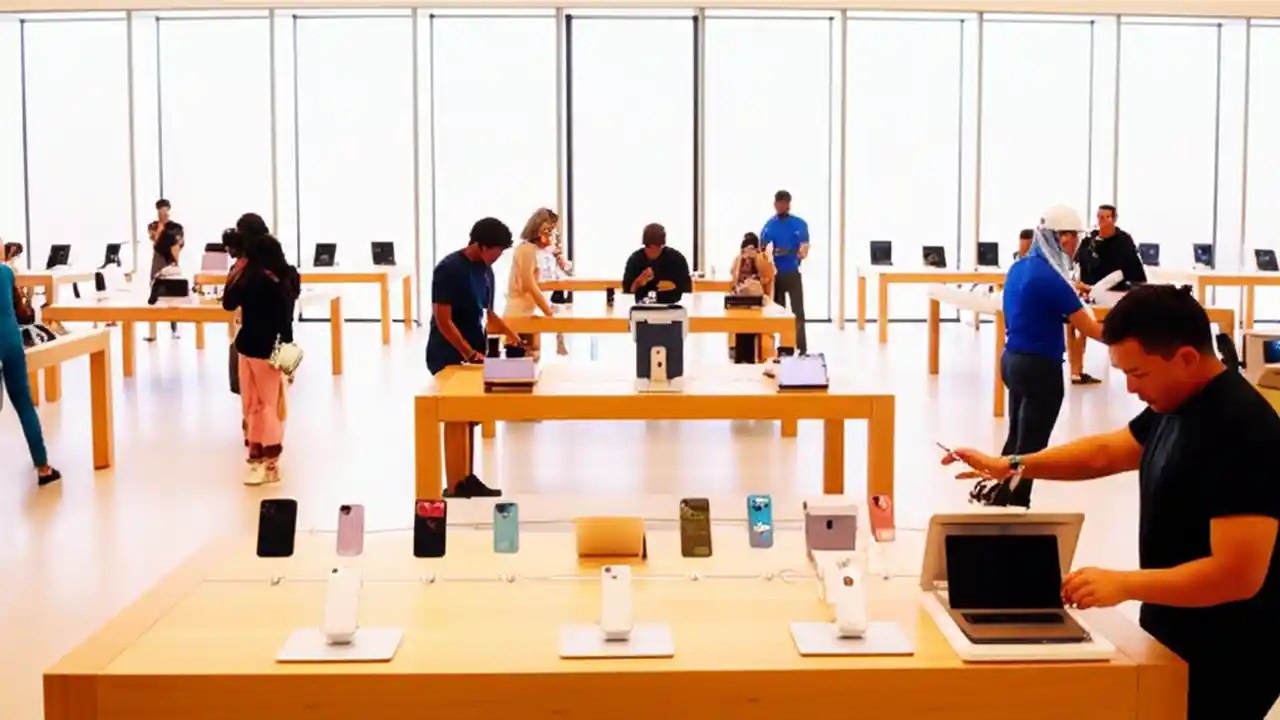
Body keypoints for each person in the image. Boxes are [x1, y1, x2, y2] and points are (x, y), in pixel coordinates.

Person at [943, 284, 1280, 720]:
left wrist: (1124, 584)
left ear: (1186, 358)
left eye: (1138, 374)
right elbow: (1107, 452)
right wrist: (1011, 464)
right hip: (1174, 632)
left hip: (1232, 651)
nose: (1132, 389)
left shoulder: (1241, 429)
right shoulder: (1177, 401)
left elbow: (1237, 575)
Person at [983, 205, 1103, 507]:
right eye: (1074, 237)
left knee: (1016, 439)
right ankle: (1015, 506)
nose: (1076, 245)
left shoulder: (1020, 267)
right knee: (1032, 450)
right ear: (1060, 238)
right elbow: (1090, 329)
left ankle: (998, 498)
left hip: (1012, 361)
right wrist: (1136, 332)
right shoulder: (1050, 278)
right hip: (1040, 368)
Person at [427, 217, 525, 498]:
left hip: (474, 352)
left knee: (469, 416)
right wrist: (467, 352)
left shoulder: (486, 272)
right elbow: (443, 320)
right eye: (497, 250)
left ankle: (466, 478)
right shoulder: (448, 269)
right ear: (481, 245)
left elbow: (489, 314)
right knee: (455, 415)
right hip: (447, 351)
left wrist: (511, 334)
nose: (499, 256)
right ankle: (455, 483)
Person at [222, 233, 299, 486]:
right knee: (271, 405)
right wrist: (288, 350)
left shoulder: (249, 277)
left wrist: (237, 271)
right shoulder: (286, 277)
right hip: (273, 349)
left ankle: (255, 460)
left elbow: (228, 303)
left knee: (253, 404)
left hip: (248, 347)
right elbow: (286, 319)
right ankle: (271, 462)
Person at [1070, 204, 1147, 385]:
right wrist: (1082, 285)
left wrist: (1095, 288)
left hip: (1115, 292)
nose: (1102, 221)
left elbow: (1129, 271)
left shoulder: (1123, 241)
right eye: (1099, 217)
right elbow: (1078, 264)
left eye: (1106, 217)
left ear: (1114, 219)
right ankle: (1076, 370)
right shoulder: (1089, 240)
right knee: (1075, 322)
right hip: (1088, 292)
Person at [0, 261, 61, 486]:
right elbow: (18, 308)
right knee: (25, 405)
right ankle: (44, 468)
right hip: (11, 343)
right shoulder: (6, 272)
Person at [504, 208, 559, 360]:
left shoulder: (533, 250)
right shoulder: (527, 250)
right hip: (520, 315)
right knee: (522, 365)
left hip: (528, 313)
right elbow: (528, 285)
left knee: (532, 359)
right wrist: (549, 313)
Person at [761, 190, 810, 354]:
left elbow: (804, 249)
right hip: (777, 275)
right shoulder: (769, 225)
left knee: (798, 312)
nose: (783, 206)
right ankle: (783, 348)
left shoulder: (799, 224)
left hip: (793, 273)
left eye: (786, 203)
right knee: (779, 313)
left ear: (789, 204)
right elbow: (763, 249)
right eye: (780, 203)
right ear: (775, 204)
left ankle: (802, 347)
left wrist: (792, 253)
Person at [622, 223, 691, 304]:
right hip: (640, 309)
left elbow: (687, 291)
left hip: (672, 308)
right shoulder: (635, 260)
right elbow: (626, 294)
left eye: (657, 247)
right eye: (649, 247)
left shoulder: (676, 259)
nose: (653, 252)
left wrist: (673, 286)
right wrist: (638, 282)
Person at [145, 219, 184, 342]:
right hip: (164, 276)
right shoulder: (172, 243)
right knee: (170, 303)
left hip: (160, 277)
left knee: (155, 303)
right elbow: (175, 263)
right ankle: (171, 331)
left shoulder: (161, 245)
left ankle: (154, 334)